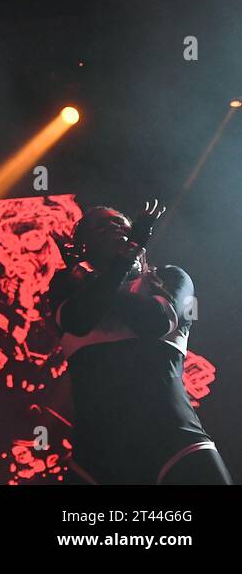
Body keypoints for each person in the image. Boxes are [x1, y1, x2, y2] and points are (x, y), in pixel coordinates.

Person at [49, 204, 230, 484]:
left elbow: (153, 323)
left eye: (120, 222)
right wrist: (117, 263)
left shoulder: (171, 277)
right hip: (97, 455)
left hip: (174, 441)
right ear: (83, 245)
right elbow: (79, 321)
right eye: (99, 225)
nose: (112, 226)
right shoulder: (64, 282)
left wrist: (96, 276)